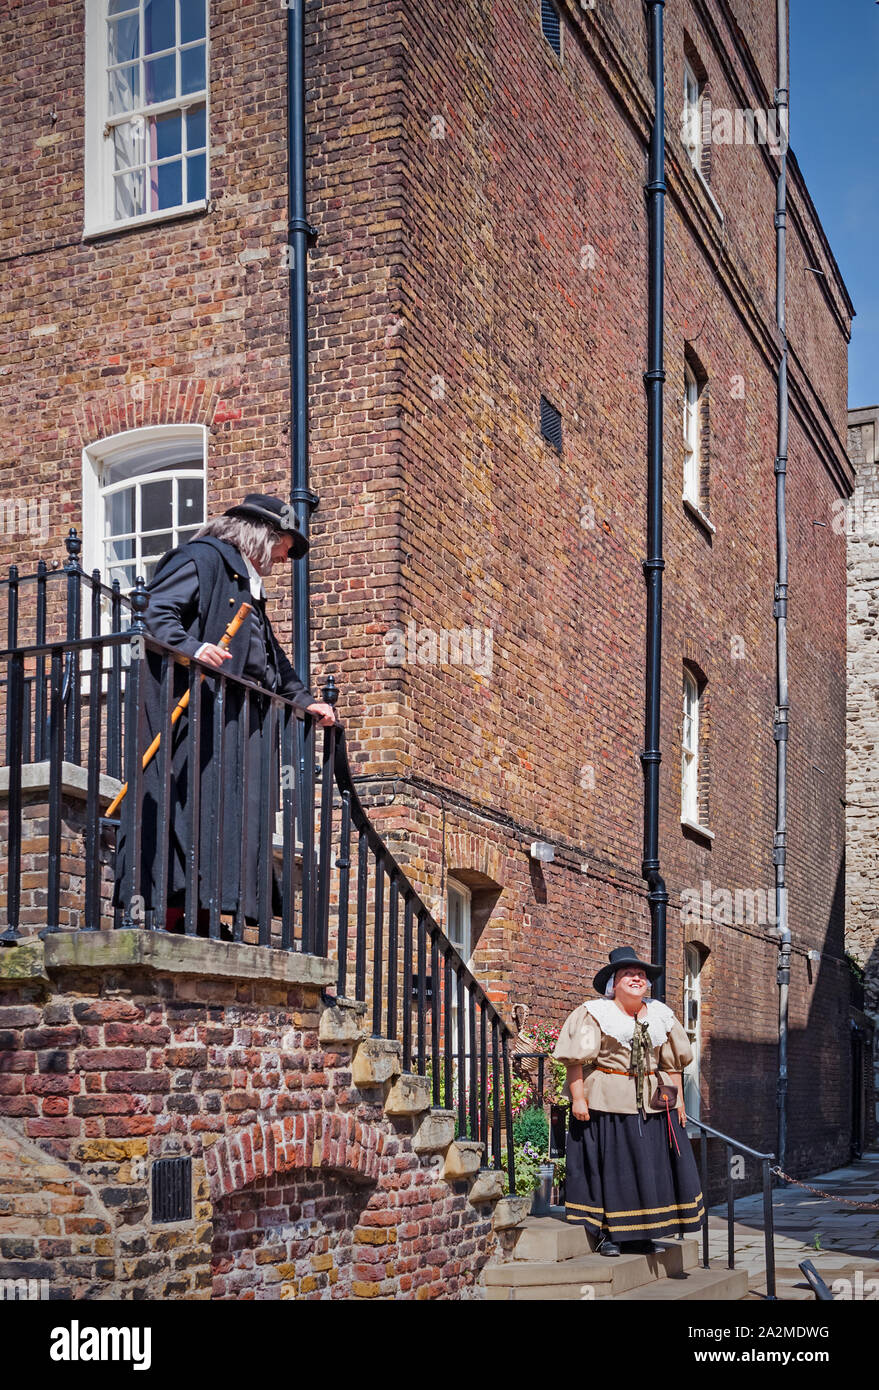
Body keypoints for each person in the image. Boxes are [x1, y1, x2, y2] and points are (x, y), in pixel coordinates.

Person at [113, 493, 336, 929]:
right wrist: (195, 648)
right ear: (262, 535)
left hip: (240, 722)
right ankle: (178, 914)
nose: (284, 558)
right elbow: (154, 613)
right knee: (191, 813)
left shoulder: (246, 585)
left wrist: (306, 701)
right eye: (284, 547)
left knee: (235, 817)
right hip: (197, 717)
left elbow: (273, 659)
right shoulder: (203, 559)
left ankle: (214, 913)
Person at [552, 945, 705, 1256]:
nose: (636, 978)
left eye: (640, 975)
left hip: (653, 1101)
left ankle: (642, 1233)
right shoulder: (595, 1013)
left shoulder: (661, 1014)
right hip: (608, 1100)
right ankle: (610, 1234)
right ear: (614, 983)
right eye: (628, 974)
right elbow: (574, 1061)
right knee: (614, 1168)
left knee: (649, 1168)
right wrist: (578, 1099)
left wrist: (680, 1104)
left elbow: (673, 1063)